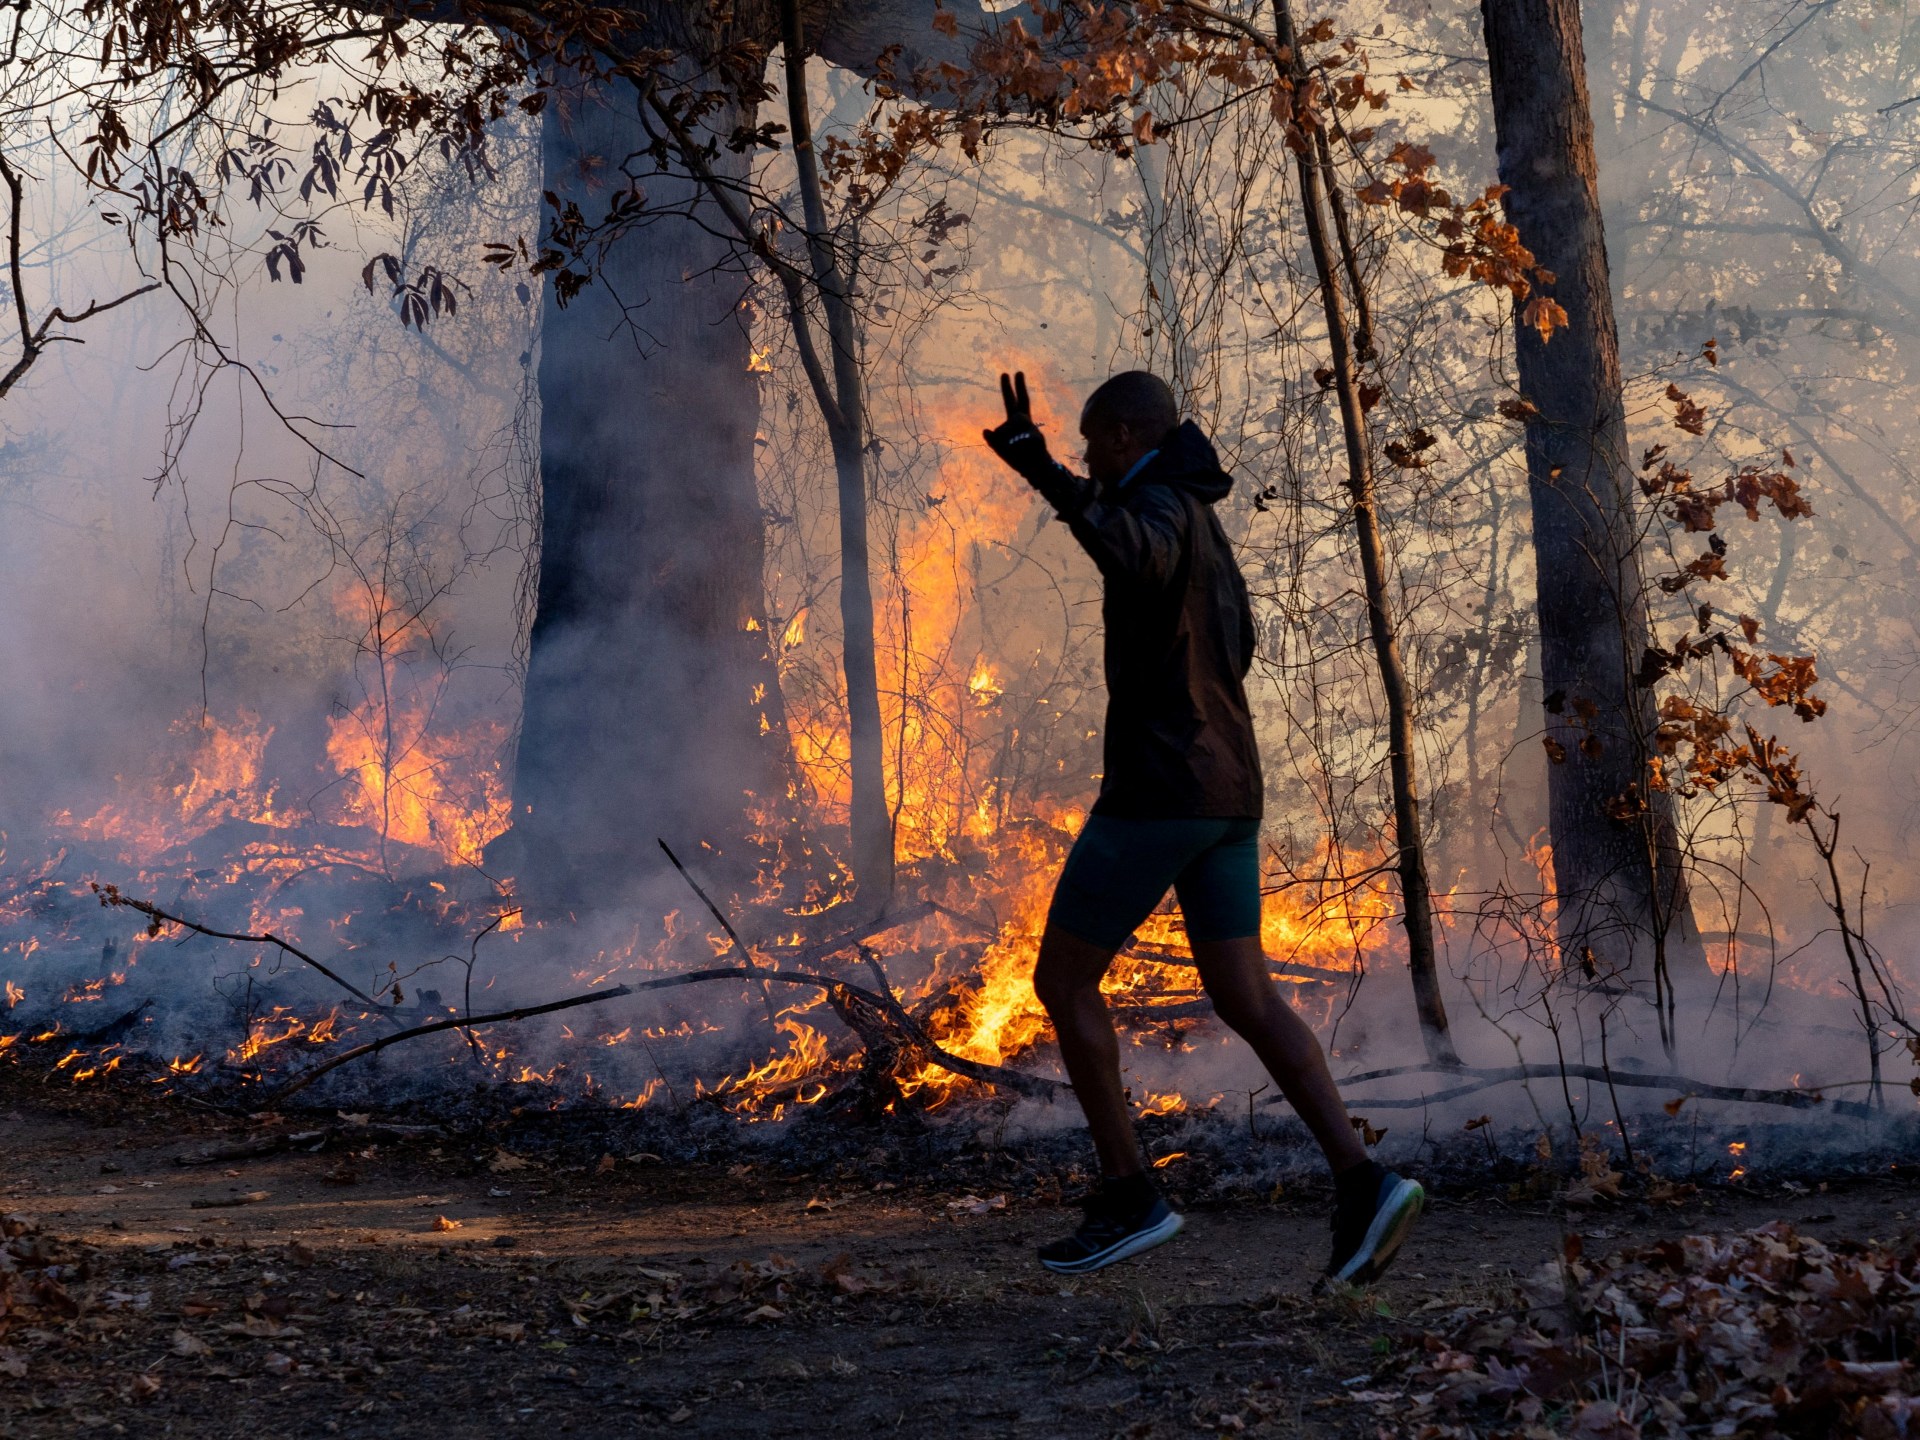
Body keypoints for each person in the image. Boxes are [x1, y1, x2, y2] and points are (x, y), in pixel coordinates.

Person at [982, 369, 1424, 1281]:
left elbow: (1129, 553)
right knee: (1246, 996)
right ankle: (1363, 1182)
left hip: (1163, 791)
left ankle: (1129, 1196)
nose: (1087, 458)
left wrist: (1044, 477)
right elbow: (1236, 643)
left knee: (1061, 982)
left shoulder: (1158, 507)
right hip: (1229, 793)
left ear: (1133, 432)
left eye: (1096, 443)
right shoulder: (1202, 519)